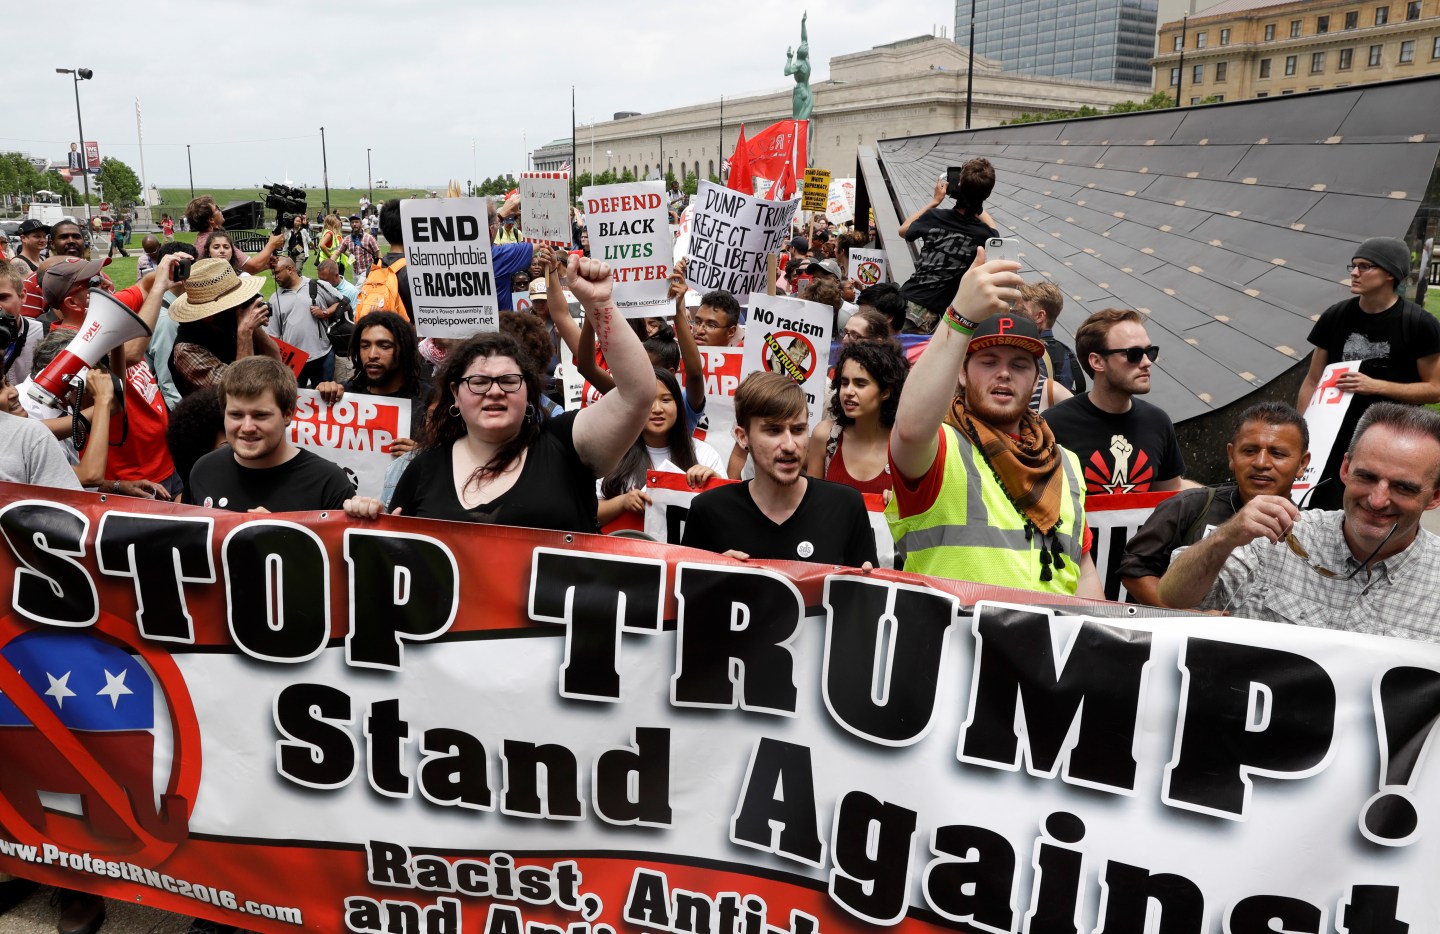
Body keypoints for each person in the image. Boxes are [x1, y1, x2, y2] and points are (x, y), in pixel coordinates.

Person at [344, 255, 655, 533]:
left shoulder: (566, 445)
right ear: (455, 393)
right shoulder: (422, 469)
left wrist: (600, 305)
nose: (494, 392)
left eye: (508, 380)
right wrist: (369, 521)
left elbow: (637, 394)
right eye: (479, 382)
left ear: (529, 391)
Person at [886, 252, 1102, 597]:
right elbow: (910, 428)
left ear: (1036, 380)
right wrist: (960, 314)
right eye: (988, 361)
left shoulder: (1067, 464)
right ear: (961, 373)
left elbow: (1083, 570)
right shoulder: (940, 448)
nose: (1004, 373)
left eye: (1019, 365)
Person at [1157, 403, 1440, 639]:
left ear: (1435, 497)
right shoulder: (1280, 535)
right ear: (1345, 469)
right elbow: (1173, 596)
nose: (1377, 500)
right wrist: (1225, 537)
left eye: (1403, 487)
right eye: (1366, 477)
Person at [1297, 237, 1440, 510]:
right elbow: (1313, 381)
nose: (1354, 272)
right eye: (1353, 265)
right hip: (1330, 439)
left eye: (1365, 266)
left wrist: (1375, 386)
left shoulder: (1418, 324)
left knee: (1371, 511)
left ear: (1389, 273)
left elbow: (1435, 389)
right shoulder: (1335, 316)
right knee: (1314, 511)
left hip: (1389, 443)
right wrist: (1303, 430)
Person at [1120, 402, 1310, 607]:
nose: (1261, 463)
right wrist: (1192, 618)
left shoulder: (1314, 532)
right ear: (1231, 455)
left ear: (1302, 464)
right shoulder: (1189, 506)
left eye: (1277, 453)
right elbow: (1134, 572)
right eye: (1249, 451)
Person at [682, 371, 877, 567]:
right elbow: (685, 585)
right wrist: (713, 572)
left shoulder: (846, 506)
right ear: (742, 437)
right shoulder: (708, 511)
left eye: (798, 430)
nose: (790, 445)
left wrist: (864, 581)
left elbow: (868, 584)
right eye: (774, 431)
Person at [1044, 308, 1186, 495]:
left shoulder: (1158, 422)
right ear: (1097, 362)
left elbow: (1171, 493)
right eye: (1134, 354)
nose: (1147, 362)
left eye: (1150, 352)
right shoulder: (1052, 426)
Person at [189, 356, 352, 513]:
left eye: (260, 415)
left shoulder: (329, 484)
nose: (247, 427)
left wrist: (279, 530)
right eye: (236, 415)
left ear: (287, 415)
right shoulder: (203, 471)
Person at [597, 367, 724, 526]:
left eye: (666, 400)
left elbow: (727, 514)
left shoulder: (704, 454)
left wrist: (715, 482)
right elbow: (589, 512)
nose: (657, 409)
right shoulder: (613, 452)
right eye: (648, 401)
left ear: (678, 405)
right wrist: (622, 502)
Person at [897, 159, 998, 333]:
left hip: (904, 299)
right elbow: (995, 233)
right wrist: (974, 198)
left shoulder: (934, 217)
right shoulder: (985, 235)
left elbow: (903, 230)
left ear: (958, 185)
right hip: (928, 314)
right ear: (987, 194)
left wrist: (935, 201)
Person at [168, 259, 284, 397]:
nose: (237, 306)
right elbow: (238, 392)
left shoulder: (228, 321)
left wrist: (254, 324)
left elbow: (277, 365)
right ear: (209, 311)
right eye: (232, 302)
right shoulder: (187, 350)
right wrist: (245, 331)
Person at [315, 311, 428, 453]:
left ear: (404, 350)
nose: (372, 355)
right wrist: (319, 398)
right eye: (365, 346)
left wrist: (423, 455)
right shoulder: (342, 394)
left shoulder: (429, 400)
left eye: (384, 346)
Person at [808, 338, 908, 497]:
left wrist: (901, 505)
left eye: (860, 384)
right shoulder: (825, 437)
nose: (848, 391)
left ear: (885, 392)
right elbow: (811, 503)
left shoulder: (906, 446)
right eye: (844, 383)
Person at [266, 256, 343, 388]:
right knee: (295, 398)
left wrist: (325, 313)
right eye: (273, 274)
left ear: (290, 269)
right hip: (293, 361)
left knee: (324, 397)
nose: (275, 277)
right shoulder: (274, 299)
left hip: (323, 355)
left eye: (277, 272)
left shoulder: (317, 285)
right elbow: (272, 335)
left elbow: (342, 303)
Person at [185, 195, 283, 274]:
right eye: (217, 209)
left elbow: (245, 269)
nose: (221, 210)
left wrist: (266, 265)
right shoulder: (214, 241)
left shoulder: (202, 240)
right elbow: (253, 266)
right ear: (211, 220)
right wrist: (272, 244)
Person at [1016, 281, 1085, 393]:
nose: (1014, 314)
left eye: (1021, 310)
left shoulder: (1026, 350)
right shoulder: (1067, 352)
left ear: (1039, 316)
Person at [347, 214, 380, 283]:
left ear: (361, 224)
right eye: (352, 222)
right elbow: (342, 251)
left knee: (357, 288)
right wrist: (351, 257)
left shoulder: (369, 238)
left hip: (367, 270)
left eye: (356, 222)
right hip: (355, 271)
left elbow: (378, 254)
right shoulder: (348, 239)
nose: (354, 224)